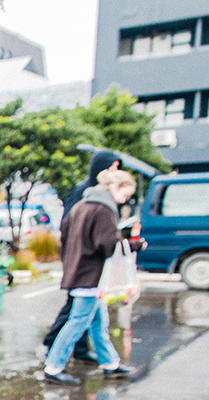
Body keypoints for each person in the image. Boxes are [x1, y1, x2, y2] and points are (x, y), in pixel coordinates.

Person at [43, 168, 140, 384]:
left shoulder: (80, 206)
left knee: (98, 322)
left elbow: (64, 239)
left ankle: (110, 364)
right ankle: (53, 367)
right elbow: (106, 246)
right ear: (116, 187)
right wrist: (134, 245)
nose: (125, 200)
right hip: (92, 277)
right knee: (78, 322)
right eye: (126, 195)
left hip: (78, 273)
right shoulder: (104, 209)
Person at [38, 150, 122, 364]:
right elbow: (70, 227)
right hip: (82, 262)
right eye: (112, 167)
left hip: (87, 264)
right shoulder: (86, 193)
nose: (115, 172)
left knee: (91, 315)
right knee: (76, 312)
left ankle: (85, 352)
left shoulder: (99, 194)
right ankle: (51, 352)